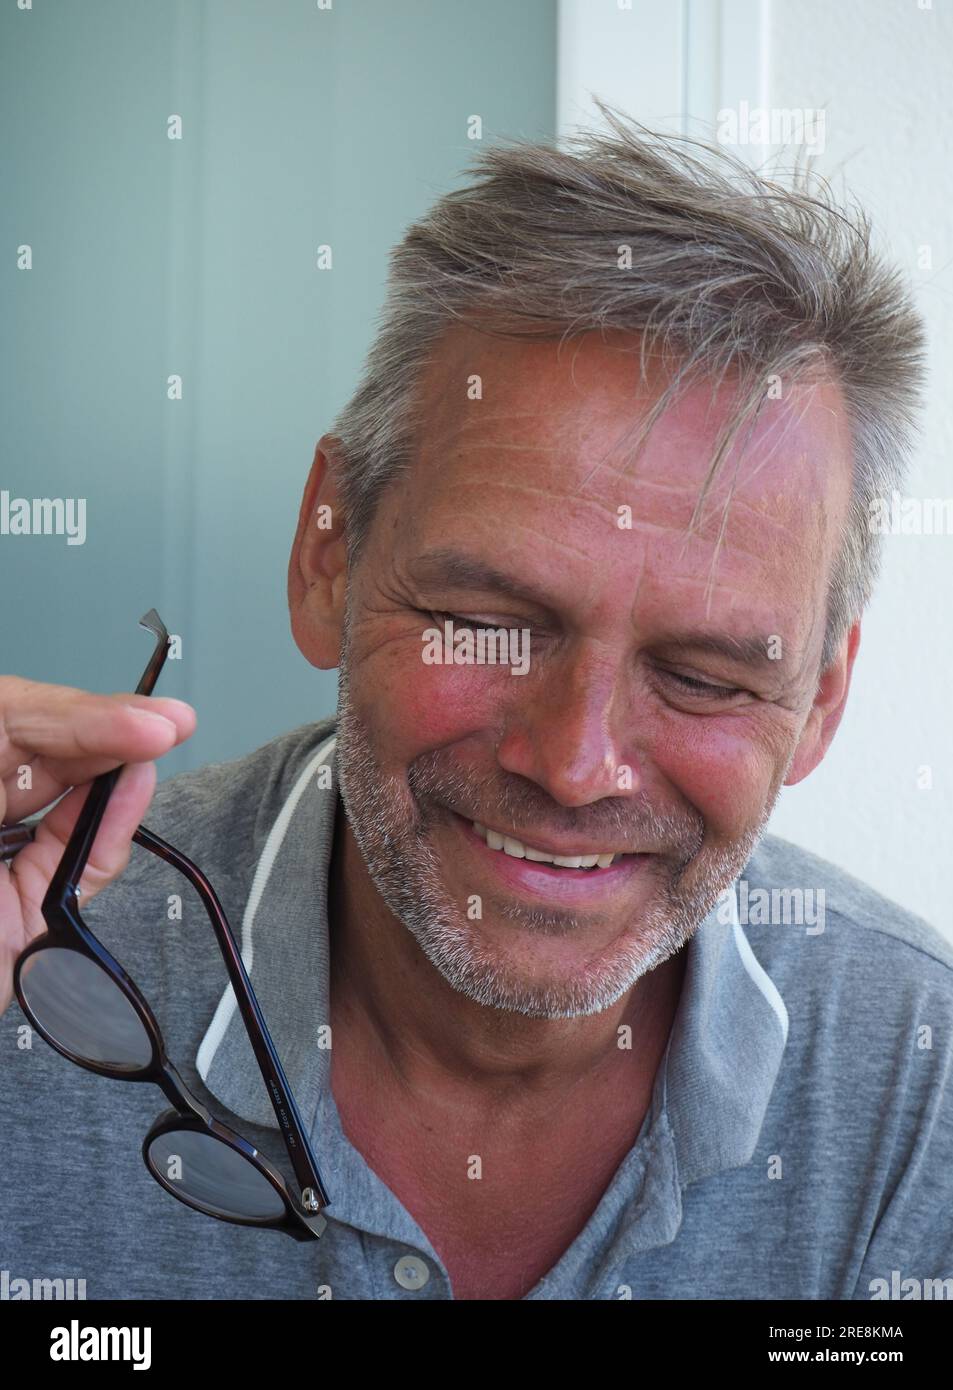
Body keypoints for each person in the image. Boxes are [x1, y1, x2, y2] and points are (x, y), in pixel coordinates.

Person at [2, 106, 951, 1302]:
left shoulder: (918, 1085)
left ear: (817, 702)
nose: (573, 763)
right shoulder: (31, 961)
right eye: (488, 622)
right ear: (327, 551)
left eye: (703, 678)